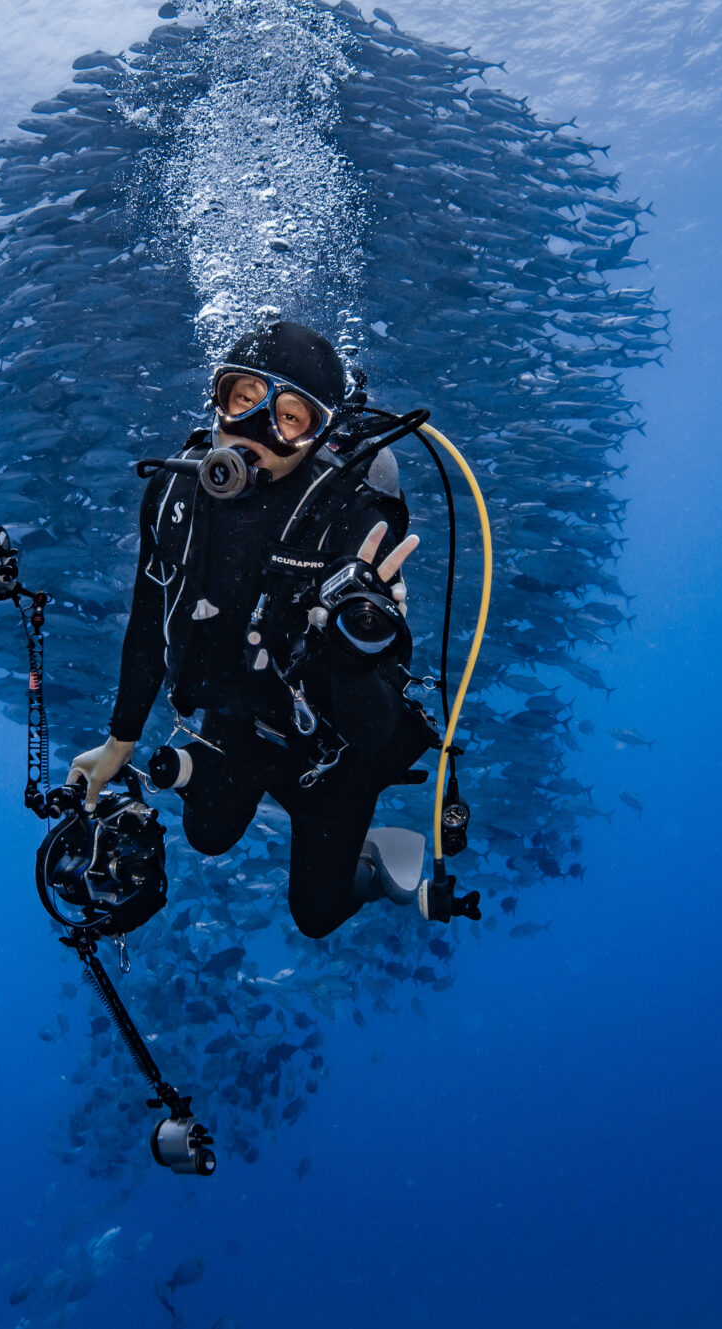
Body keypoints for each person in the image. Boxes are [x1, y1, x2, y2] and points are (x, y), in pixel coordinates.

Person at [67, 320, 443, 938]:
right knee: (207, 836)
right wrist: (120, 742)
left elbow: (372, 728)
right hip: (241, 717)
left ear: (319, 432)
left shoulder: (351, 517)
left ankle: (374, 864)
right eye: (243, 398)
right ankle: (202, 771)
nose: (256, 427)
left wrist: (356, 641)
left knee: (317, 914)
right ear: (218, 397)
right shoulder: (173, 493)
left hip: (333, 747)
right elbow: (147, 619)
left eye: (291, 417)